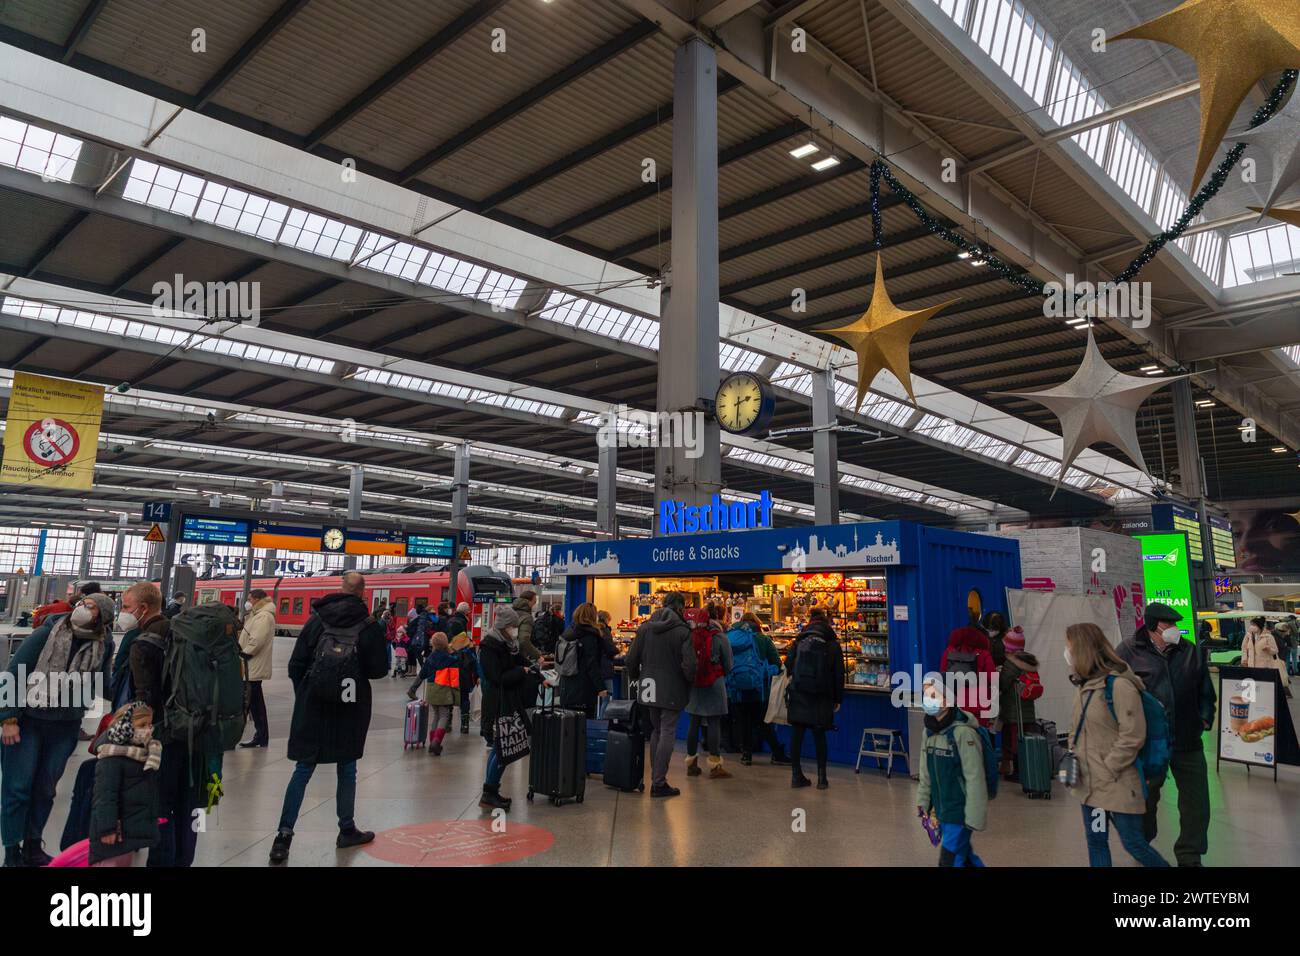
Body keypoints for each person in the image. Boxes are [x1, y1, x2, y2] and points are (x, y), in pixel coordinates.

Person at [269, 571, 389, 864]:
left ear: (340, 587)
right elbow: (378, 670)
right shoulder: (369, 626)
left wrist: (307, 694)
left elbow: (296, 664)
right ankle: (346, 829)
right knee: (347, 769)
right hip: (350, 707)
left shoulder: (317, 621)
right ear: (363, 592)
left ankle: (283, 836)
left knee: (303, 769)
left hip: (314, 705)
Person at [1, 591, 115, 866]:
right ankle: (12, 851)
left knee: (46, 789)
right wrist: (8, 719)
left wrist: (131, 695)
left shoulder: (104, 644)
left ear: (103, 616)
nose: (82, 608)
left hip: (65, 725)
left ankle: (32, 845)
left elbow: (103, 682)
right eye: (82, 604)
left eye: (91, 606)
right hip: (28, 721)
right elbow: (16, 672)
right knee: (18, 787)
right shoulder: (49, 633)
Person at [1116, 602, 1215, 868]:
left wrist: (1204, 719)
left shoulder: (1189, 651)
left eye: (1175, 625)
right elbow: (1114, 692)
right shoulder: (1128, 651)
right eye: (1167, 625)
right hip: (1150, 741)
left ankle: (1190, 855)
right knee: (1147, 798)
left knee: (1196, 802)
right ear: (1151, 627)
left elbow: (1205, 690)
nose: (1174, 629)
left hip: (1187, 738)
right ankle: (1143, 845)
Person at [1064, 622, 1169, 867]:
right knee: (1096, 840)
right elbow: (1077, 729)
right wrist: (1074, 754)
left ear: (1082, 649)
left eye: (1069, 646)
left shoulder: (1120, 686)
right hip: (1091, 788)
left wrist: (1108, 766)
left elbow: (1133, 735)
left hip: (1118, 784)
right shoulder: (1084, 686)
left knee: (1133, 843)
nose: (1066, 651)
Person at [624, 591, 697, 798]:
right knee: (667, 731)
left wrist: (638, 676)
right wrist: (688, 681)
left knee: (656, 731)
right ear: (680, 607)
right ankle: (658, 782)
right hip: (672, 688)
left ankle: (656, 778)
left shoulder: (645, 628)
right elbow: (690, 665)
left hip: (648, 685)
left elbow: (631, 659)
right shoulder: (682, 631)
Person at [916, 678, 987, 867]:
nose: (927, 700)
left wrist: (974, 816)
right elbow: (925, 773)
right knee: (965, 856)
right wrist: (923, 802)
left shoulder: (963, 734)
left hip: (961, 812)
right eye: (925, 695)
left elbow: (975, 778)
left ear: (947, 702)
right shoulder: (928, 733)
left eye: (933, 695)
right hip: (941, 810)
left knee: (949, 860)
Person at [477, 606, 539, 811]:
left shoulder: (507, 644)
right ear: (504, 626)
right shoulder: (489, 647)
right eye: (512, 626)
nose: (515, 630)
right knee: (503, 748)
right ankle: (489, 792)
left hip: (509, 701)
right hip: (499, 702)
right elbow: (498, 678)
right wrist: (521, 671)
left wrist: (534, 671)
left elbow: (519, 662)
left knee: (500, 746)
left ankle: (491, 791)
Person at [88, 701, 162, 867]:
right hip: (113, 836)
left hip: (130, 834)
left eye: (150, 724)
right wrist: (107, 829)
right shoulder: (112, 755)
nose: (148, 729)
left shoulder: (143, 753)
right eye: (142, 724)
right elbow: (105, 796)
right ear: (126, 725)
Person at [783, 607, 844, 789]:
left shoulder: (800, 640)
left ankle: (796, 775)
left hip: (799, 692)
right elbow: (838, 674)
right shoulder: (832, 643)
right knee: (819, 735)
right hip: (821, 694)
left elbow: (787, 665)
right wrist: (837, 699)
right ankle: (822, 778)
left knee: (797, 734)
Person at [684, 602, 733, 780]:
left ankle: (691, 763)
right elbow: (729, 665)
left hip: (695, 684)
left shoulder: (690, 636)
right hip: (715, 683)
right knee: (714, 723)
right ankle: (715, 766)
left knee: (694, 721)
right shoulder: (720, 637)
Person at [726, 612, 782, 766]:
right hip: (759, 688)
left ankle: (746, 754)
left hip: (736, 688)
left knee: (743, 721)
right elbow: (776, 663)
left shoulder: (731, 639)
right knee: (763, 720)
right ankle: (777, 753)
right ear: (757, 624)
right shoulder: (763, 639)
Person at [995, 627, 1039, 779]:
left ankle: (1018, 772)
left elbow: (1003, 684)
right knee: (1024, 740)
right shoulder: (1029, 661)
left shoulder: (1011, 664)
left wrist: (997, 674)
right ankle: (1027, 769)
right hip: (1027, 711)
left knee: (1013, 742)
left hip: (1013, 710)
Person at [408, 632, 459, 755]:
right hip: (443, 689)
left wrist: (413, 689)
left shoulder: (430, 658)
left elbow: (422, 674)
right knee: (444, 715)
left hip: (431, 690)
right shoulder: (450, 659)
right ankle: (436, 742)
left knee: (436, 715)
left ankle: (432, 743)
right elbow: (456, 671)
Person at [238, 589, 275, 748]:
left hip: (252, 664)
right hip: (251, 665)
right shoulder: (259, 614)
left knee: (253, 703)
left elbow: (257, 640)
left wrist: (245, 653)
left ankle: (260, 735)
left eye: (250, 599)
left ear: (258, 600)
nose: (248, 601)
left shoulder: (263, 616)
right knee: (253, 703)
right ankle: (260, 736)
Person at [557, 603, 607, 718]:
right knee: (584, 724)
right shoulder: (589, 636)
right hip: (584, 688)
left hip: (567, 685)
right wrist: (601, 687)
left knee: (569, 724)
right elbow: (591, 664)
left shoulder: (569, 632)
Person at [941, 625, 997, 726]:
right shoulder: (983, 653)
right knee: (980, 736)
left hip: (954, 702)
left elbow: (943, 674)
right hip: (979, 703)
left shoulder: (948, 651)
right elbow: (992, 678)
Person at [443, 602, 476, 733]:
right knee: (464, 698)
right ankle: (464, 725)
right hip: (464, 674)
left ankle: (448, 723)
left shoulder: (447, 648)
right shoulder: (468, 646)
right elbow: (474, 662)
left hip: (450, 674)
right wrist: (477, 676)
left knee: (450, 697)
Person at [511, 590, 544, 661]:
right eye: (534, 602)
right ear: (528, 601)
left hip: (503, 652)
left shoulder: (510, 612)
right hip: (517, 654)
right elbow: (523, 640)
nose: (535, 604)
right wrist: (537, 655)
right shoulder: (527, 617)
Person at [597, 610, 619, 697]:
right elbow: (610, 649)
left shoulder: (594, 629)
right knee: (608, 696)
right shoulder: (605, 630)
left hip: (596, 667)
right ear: (606, 619)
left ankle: (598, 711)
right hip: (605, 667)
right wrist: (618, 651)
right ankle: (603, 711)